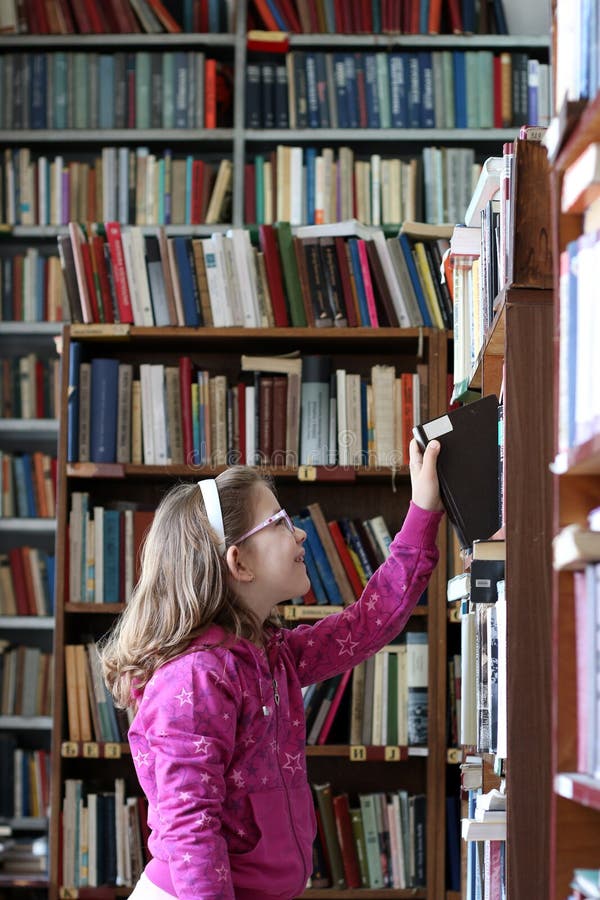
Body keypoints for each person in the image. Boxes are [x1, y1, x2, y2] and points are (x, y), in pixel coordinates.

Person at [100, 438, 444, 900]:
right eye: (281, 523)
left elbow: (368, 624)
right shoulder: (196, 677)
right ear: (238, 562)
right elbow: (191, 832)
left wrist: (423, 510)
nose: (301, 532)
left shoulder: (270, 655)